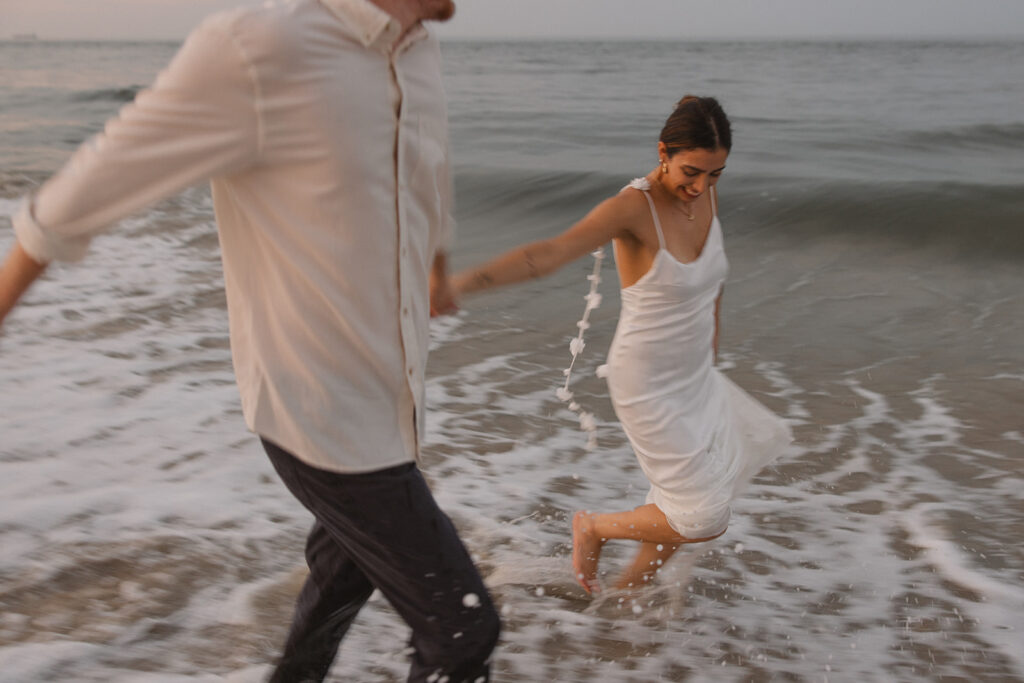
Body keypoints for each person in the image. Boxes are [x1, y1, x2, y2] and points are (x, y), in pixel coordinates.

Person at [0, 0, 500, 681]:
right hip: (318, 408)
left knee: (342, 575)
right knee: (463, 628)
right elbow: (71, 201)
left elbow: (426, 171)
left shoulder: (417, 51)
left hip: (393, 392)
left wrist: (436, 266)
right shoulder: (259, 47)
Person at [442, 95, 792, 595]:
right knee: (702, 516)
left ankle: (624, 601)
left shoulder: (703, 192)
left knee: (676, 500)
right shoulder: (634, 207)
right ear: (662, 152)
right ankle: (594, 527)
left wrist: (710, 348)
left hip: (697, 375)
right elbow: (548, 254)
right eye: (691, 172)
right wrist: (455, 287)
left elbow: (710, 283)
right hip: (648, 381)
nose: (701, 186)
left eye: (715, 175)